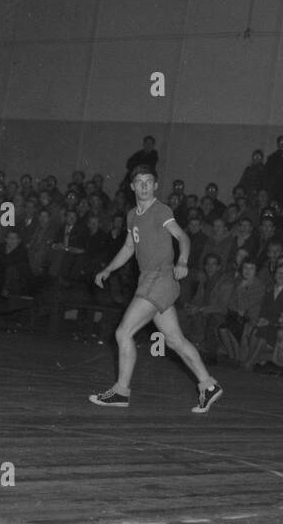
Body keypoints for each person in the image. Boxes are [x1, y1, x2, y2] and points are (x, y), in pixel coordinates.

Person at [89, 168, 223, 414]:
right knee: (174, 340)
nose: (143, 187)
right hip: (149, 280)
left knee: (123, 332)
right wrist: (108, 269)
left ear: (155, 185)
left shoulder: (161, 210)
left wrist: (182, 261)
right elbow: (129, 246)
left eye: (148, 182)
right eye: (139, 183)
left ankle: (121, 391)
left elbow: (183, 237)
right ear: (132, 187)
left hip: (159, 279)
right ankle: (208, 384)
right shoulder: (131, 215)